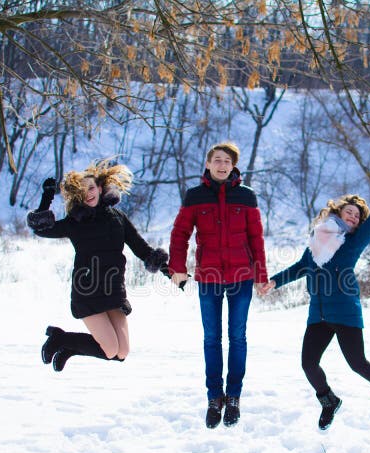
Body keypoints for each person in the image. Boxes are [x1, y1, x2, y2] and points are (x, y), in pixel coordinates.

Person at [258, 171, 370, 429]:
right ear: (338, 212)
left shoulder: (353, 242)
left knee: (358, 364)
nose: (353, 216)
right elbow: (300, 267)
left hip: (346, 313)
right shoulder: (317, 241)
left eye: (357, 216)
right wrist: (274, 282)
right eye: (349, 212)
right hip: (319, 315)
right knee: (308, 364)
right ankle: (329, 400)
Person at [26, 159, 168, 372]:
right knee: (109, 349)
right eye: (83, 191)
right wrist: (47, 197)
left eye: (91, 188)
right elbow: (42, 229)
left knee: (121, 353)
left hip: (113, 290)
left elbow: (140, 247)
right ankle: (61, 339)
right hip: (88, 291)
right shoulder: (75, 222)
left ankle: (71, 347)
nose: (89, 194)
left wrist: (165, 269)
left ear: (100, 188)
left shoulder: (118, 218)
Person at [168, 142, 269, 429]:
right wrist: (177, 267)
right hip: (208, 277)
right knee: (211, 338)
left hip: (241, 277)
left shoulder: (246, 196)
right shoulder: (195, 196)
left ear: (233, 165)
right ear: (208, 163)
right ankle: (214, 398)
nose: (222, 165)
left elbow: (256, 239)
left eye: (227, 161)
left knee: (237, 337)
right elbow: (180, 233)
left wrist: (261, 274)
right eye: (217, 160)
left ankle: (233, 397)